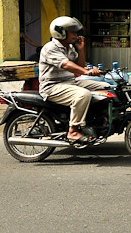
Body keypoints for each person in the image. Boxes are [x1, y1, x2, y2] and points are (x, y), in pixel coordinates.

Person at [38, 16, 109, 144]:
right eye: (73, 33)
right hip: (52, 87)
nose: (76, 35)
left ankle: (96, 120)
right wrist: (86, 72)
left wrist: (81, 49)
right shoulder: (50, 48)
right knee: (83, 95)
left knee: (105, 87)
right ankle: (73, 130)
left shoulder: (69, 47)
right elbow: (66, 64)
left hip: (70, 82)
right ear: (61, 33)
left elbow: (79, 65)